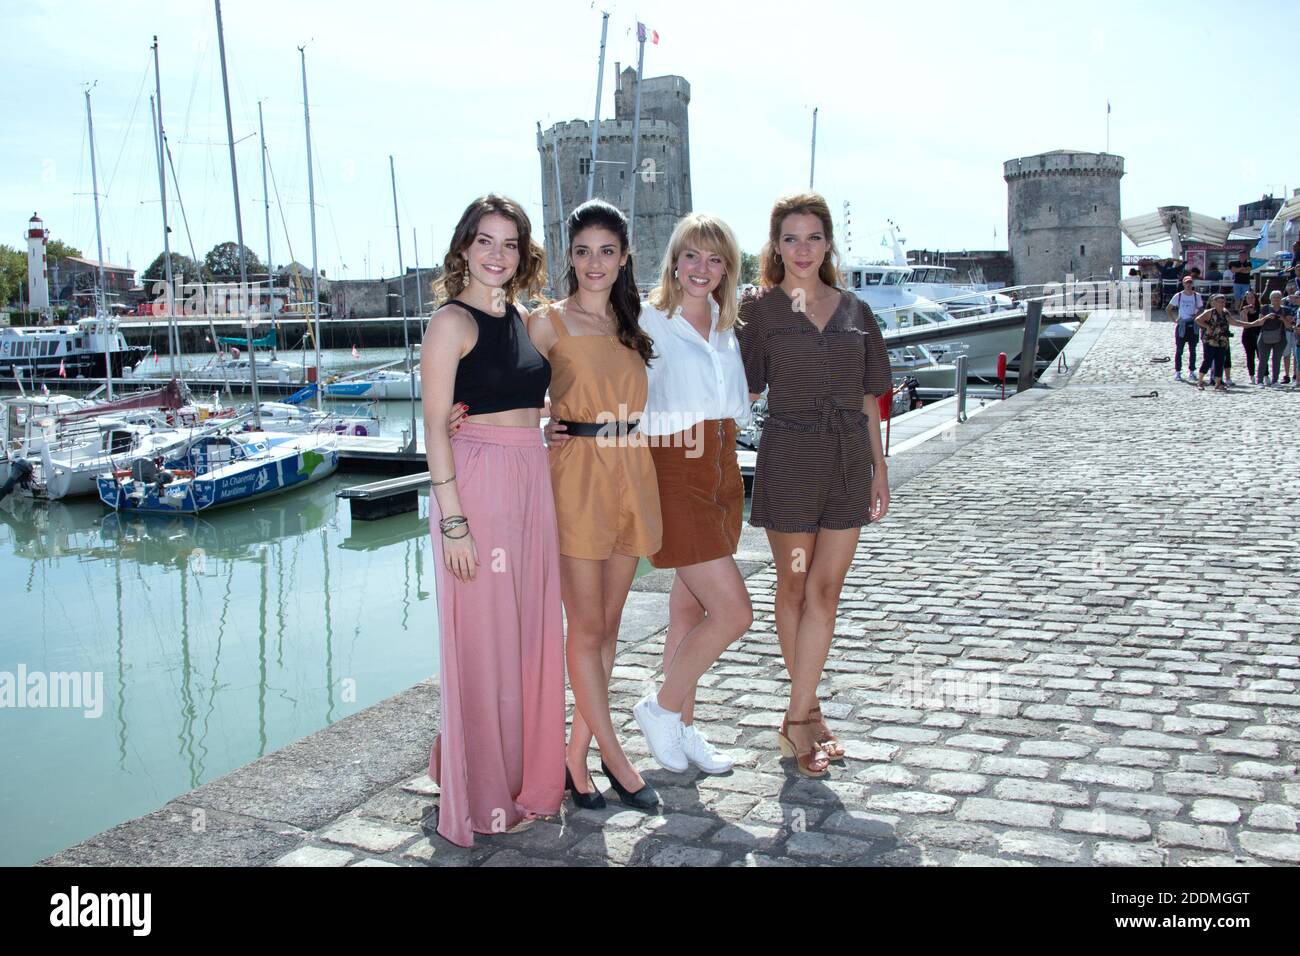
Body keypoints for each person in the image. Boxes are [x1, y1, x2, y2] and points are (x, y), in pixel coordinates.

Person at [419, 194, 564, 847]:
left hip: (531, 484)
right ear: (464, 248)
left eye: (509, 243)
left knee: (528, 637)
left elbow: (522, 399)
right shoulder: (452, 322)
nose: (497, 254)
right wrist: (454, 522)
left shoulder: (528, 321)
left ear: (523, 252)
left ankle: (510, 776)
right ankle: (476, 789)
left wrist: (546, 422)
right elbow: (435, 427)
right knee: (481, 642)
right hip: (475, 491)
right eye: (485, 241)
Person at [736, 192, 893, 778]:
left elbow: (867, 396)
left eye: (814, 237)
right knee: (796, 587)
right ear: (775, 246)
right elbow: (741, 388)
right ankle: (806, 715)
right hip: (792, 457)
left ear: (828, 244)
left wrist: (879, 466)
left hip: (850, 458)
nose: (803, 249)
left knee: (827, 592)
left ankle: (798, 717)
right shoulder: (761, 309)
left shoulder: (854, 309)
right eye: (791, 238)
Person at [531, 200, 664, 811]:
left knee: (608, 628)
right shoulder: (546, 323)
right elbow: (505, 389)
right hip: (578, 476)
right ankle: (615, 757)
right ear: (569, 257)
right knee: (584, 628)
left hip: (631, 472)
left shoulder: (635, 323)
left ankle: (576, 756)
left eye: (606, 251)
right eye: (582, 251)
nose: (594, 263)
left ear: (624, 258)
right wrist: (536, 425)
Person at [628, 212, 755, 776]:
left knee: (689, 609)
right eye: (692, 256)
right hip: (675, 468)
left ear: (727, 268)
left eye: (715, 258)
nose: (702, 268)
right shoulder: (647, 320)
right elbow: (600, 371)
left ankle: (681, 728)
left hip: (724, 466)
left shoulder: (727, 325)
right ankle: (660, 709)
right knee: (734, 613)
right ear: (674, 260)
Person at [1194, 294, 1246, 391]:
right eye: (1220, 302)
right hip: (1210, 341)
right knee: (1207, 361)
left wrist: (1250, 324)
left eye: (1223, 302)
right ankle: (1200, 381)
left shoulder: (1225, 313)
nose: (1222, 304)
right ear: (1214, 303)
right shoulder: (1209, 312)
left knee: (1220, 361)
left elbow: (1234, 322)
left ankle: (1218, 383)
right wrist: (1208, 327)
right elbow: (1198, 320)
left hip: (1222, 341)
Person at [1249, 290, 1295, 387]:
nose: (1276, 299)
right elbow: (1260, 323)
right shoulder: (1265, 308)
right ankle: (1260, 380)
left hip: (1280, 338)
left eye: (1278, 297)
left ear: (1281, 299)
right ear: (1270, 299)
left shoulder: (1286, 310)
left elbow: (1289, 326)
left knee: (1276, 359)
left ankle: (1275, 380)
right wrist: (1267, 317)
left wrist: (1282, 318)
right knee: (1263, 359)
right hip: (1264, 337)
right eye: (1274, 297)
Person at [1167, 276, 1204, 381]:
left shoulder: (1197, 296)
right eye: (1186, 283)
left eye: (1190, 283)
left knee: (1193, 350)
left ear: (1192, 284)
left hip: (1193, 325)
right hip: (1182, 325)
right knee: (1179, 350)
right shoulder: (1178, 296)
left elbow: (1201, 308)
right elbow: (1168, 308)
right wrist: (1174, 320)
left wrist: (1196, 315)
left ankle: (1192, 371)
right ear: (1183, 284)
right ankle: (1178, 372)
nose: (1188, 285)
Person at [1240, 290, 1263, 383]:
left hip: (1259, 335)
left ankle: (1265, 375)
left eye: (1252, 298)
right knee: (1250, 356)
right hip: (1248, 335)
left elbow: (1261, 323)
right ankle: (1252, 375)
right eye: (1248, 298)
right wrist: (1245, 313)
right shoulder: (1243, 310)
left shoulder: (1260, 309)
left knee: (1261, 356)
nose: (1250, 300)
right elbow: (1245, 325)